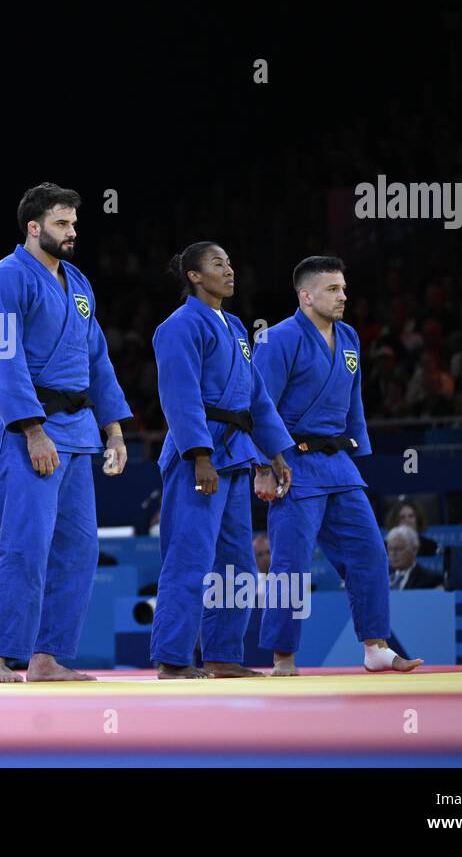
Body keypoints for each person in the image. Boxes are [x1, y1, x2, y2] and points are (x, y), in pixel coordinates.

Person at [0, 182, 132, 683]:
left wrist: (115, 430)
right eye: (62, 224)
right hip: (32, 431)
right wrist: (31, 429)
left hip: (80, 431)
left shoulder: (78, 282)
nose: (71, 232)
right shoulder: (1, 279)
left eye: (75, 224)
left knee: (79, 548)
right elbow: (2, 358)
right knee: (25, 544)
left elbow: (97, 360)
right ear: (34, 227)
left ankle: (48, 657)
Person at [253, 256, 421, 674]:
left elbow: (354, 401)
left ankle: (376, 646)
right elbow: (259, 405)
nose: (343, 296)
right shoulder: (277, 339)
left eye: (343, 288)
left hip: (339, 464)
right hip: (292, 461)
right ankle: (283, 655)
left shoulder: (349, 337)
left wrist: (357, 448)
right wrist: (262, 465)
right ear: (306, 295)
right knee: (291, 562)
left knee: (369, 551)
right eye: (332, 289)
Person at [149, 242, 294, 679]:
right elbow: (179, 394)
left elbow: (258, 398)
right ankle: (173, 659)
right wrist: (198, 455)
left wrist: (275, 451)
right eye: (217, 264)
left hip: (235, 452)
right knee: (189, 557)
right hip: (201, 454)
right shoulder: (179, 326)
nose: (229, 270)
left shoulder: (232, 325)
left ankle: (222, 656)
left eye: (230, 262)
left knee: (238, 564)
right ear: (194, 276)